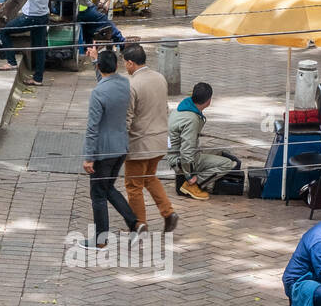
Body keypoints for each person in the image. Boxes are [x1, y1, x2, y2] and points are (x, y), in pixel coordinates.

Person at [83, 47, 143, 246]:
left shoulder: (98, 93)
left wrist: (89, 156)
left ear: (100, 68)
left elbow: (92, 128)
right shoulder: (124, 83)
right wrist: (95, 61)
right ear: (117, 65)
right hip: (121, 147)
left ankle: (100, 239)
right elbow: (106, 83)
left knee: (98, 194)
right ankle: (134, 223)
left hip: (103, 151)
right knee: (108, 188)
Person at [124, 43, 178, 232]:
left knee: (133, 186)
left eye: (125, 63)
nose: (125, 67)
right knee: (149, 178)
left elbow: (127, 118)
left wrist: (121, 142)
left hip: (140, 144)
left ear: (130, 63)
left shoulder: (132, 85)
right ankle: (168, 212)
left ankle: (139, 223)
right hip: (159, 141)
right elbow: (165, 108)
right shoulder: (159, 78)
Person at [167, 82, 238, 198]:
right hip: (180, 161)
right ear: (209, 100)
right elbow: (187, 151)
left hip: (175, 155)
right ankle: (193, 185)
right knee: (228, 163)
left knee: (221, 153)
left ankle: (194, 179)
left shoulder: (184, 107)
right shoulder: (191, 119)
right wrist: (189, 177)